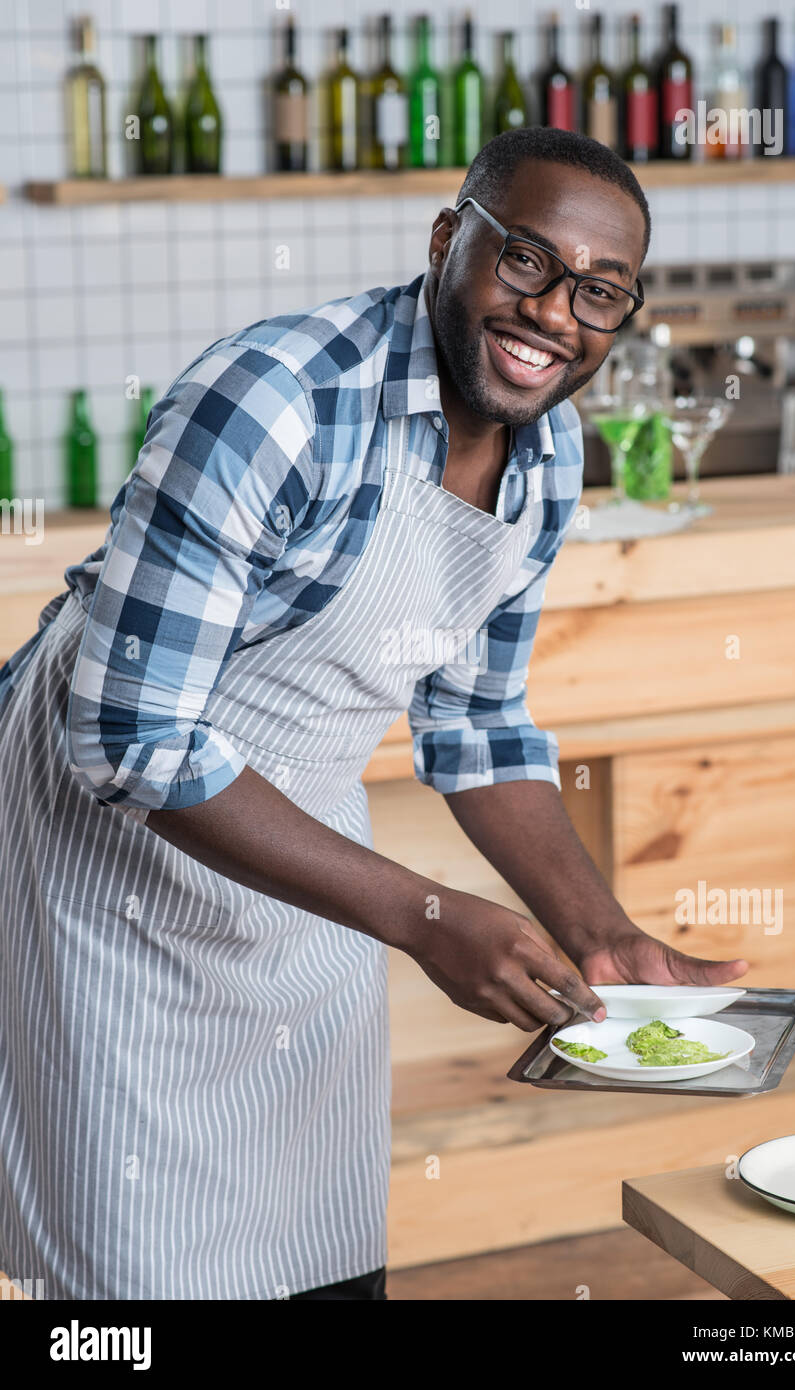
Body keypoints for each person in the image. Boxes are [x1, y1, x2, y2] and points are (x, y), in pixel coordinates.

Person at [0, 128, 748, 1301]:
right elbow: (132, 734)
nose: (554, 313)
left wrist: (601, 933)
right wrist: (428, 914)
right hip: (112, 853)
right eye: (526, 264)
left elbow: (480, 726)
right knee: (139, 1268)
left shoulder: (547, 453)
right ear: (450, 240)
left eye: (599, 292)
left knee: (319, 1243)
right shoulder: (275, 402)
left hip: (310, 850)